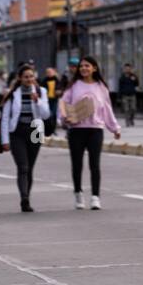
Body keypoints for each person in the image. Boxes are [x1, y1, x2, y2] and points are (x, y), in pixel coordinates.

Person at [59, 55, 122, 210]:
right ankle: (78, 194)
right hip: (77, 130)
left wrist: (114, 128)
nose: (84, 68)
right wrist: (63, 118)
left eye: (87, 66)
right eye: (82, 66)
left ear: (94, 68)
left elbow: (107, 109)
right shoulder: (73, 86)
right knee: (77, 164)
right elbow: (63, 104)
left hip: (96, 129)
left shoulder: (101, 87)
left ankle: (95, 197)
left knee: (95, 164)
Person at [0, 63, 51, 213]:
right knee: (23, 167)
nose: (29, 79)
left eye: (31, 76)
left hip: (36, 129)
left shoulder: (41, 91)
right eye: (26, 77)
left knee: (30, 168)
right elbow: (5, 118)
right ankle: (24, 199)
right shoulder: (13, 93)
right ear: (20, 78)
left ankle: (27, 195)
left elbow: (46, 114)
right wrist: (5, 140)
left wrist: (38, 101)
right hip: (17, 132)